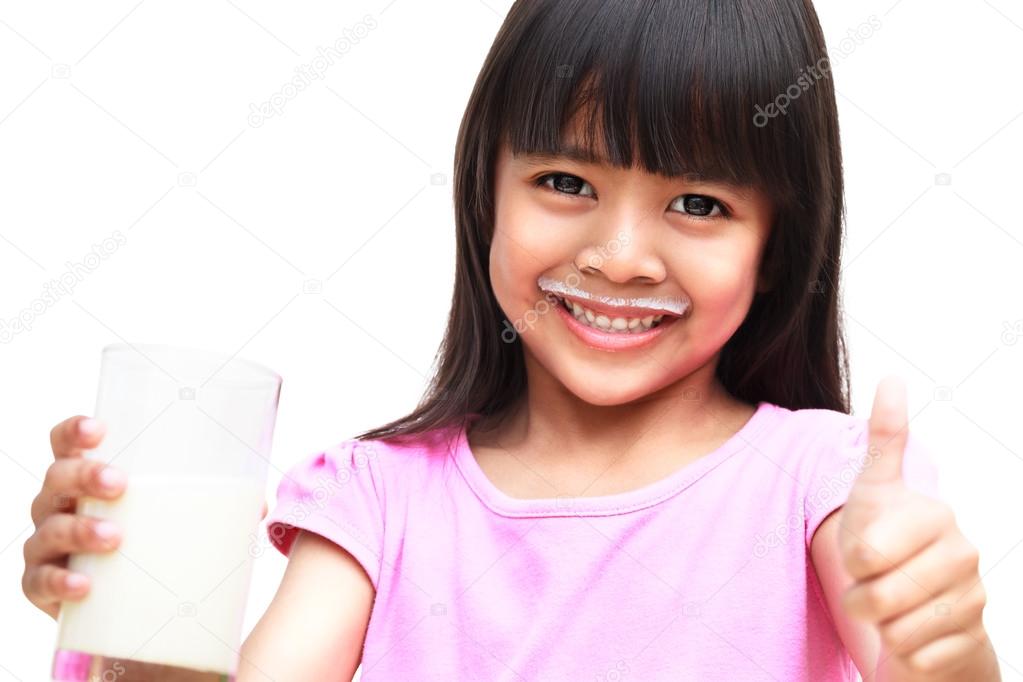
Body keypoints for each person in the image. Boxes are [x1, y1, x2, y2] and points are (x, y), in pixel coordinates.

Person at [23, 1, 1001, 680]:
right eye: (566, 183)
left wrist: (944, 650)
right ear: (484, 191)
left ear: (778, 245)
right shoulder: (379, 502)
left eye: (697, 203)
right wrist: (122, 619)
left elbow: (913, 665)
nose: (620, 259)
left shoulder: (821, 485)